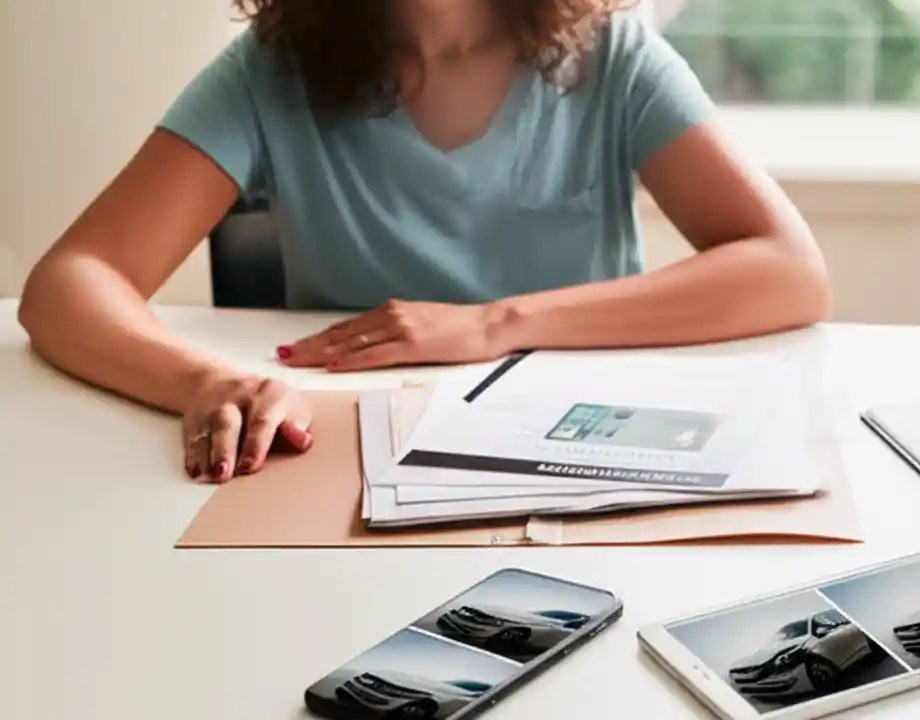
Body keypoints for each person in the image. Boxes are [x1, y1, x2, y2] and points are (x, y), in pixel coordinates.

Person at [18, 0, 831, 484]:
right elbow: (71, 281)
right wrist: (204, 383)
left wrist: (495, 324)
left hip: (587, 449)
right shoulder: (271, 69)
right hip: (342, 457)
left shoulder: (613, 56)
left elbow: (790, 270)